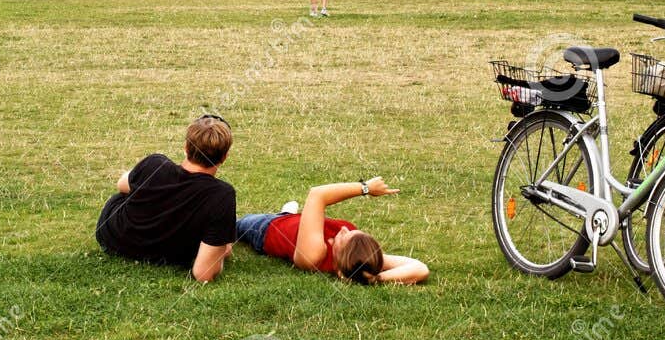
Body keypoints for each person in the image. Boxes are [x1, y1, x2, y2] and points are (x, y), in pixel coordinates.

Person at [95, 116, 237, 283]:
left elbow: (122, 185)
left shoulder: (155, 164)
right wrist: (223, 249)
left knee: (133, 189)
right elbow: (203, 273)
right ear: (224, 157)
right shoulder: (221, 195)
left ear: (186, 147)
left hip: (113, 238)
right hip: (167, 252)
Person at [236, 177, 428, 286]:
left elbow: (317, 194)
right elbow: (419, 268)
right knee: (302, 218)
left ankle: (285, 213)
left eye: (344, 236)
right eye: (355, 232)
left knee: (233, 225)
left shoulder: (314, 255)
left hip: (265, 227)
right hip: (299, 222)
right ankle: (289, 212)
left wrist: (366, 188)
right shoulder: (362, 260)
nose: (344, 229)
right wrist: (374, 278)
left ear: (340, 261)